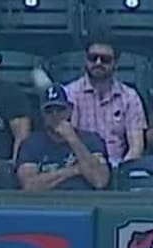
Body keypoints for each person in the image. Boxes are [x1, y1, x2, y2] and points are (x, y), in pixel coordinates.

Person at [63, 32, 147, 167]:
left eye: (105, 59)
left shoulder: (130, 97)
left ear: (116, 63)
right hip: (81, 168)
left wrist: (120, 171)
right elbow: (68, 142)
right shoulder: (70, 94)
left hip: (119, 168)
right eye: (93, 58)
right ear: (85, 59)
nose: (98, 63)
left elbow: (136, 148)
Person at [15, 85, 111, 192]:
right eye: (49, 111)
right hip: (47, 200)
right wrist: (74, 170)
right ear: (42, 114)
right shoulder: (31, 144)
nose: (55, 115)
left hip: (83, 199)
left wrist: (73, 140)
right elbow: (29, 186)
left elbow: (100, 180)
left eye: (60, 109)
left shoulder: (90, 140)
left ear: (70, 110)